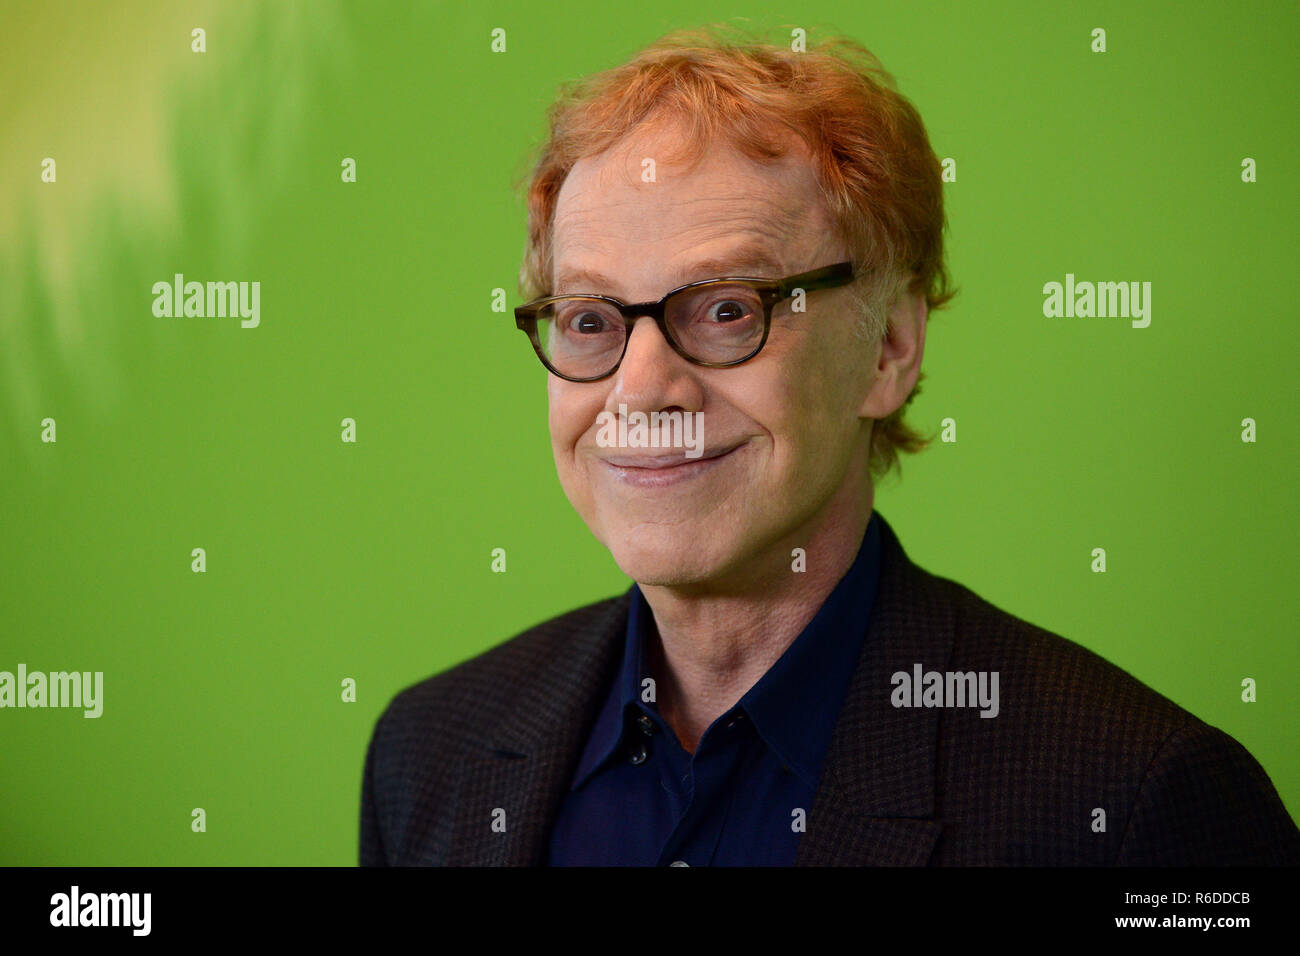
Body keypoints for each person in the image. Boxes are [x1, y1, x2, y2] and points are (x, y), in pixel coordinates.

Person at [359, 25, 1299, 866]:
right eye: (593, 319)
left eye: (728, 308)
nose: (640, 388)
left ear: (888, 348)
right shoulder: (432, 752)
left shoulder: (1132, 802)